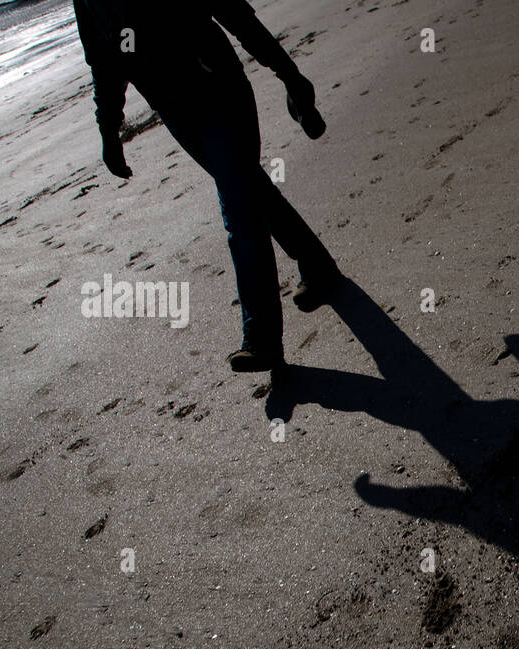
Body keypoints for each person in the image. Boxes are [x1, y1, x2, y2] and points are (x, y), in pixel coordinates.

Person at [72, 0, 342, 371]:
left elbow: (230, 9)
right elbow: (106, 59)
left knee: (239, 208)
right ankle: (318, 265)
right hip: (175, 110)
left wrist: (288, 74)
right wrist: (108, 128)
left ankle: (261, 338)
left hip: (218, 87)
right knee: (248, 189)